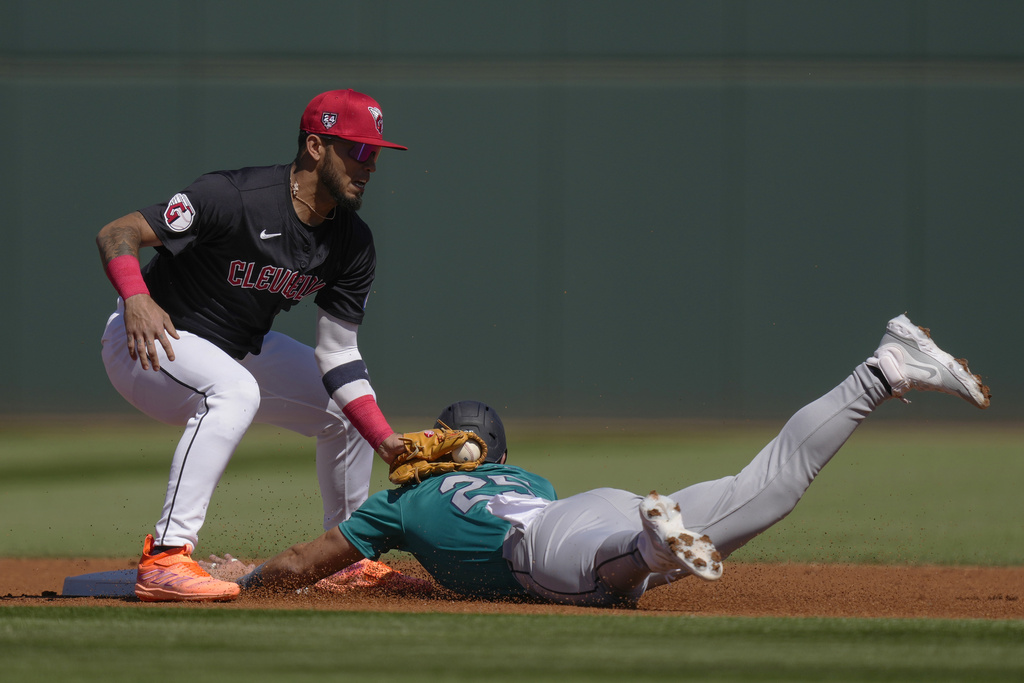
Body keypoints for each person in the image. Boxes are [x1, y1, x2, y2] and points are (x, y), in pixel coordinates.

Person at [214, 314, 990, 607]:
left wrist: (244, 578)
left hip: (550, 544)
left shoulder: (397, 505)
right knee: (768, 485)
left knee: (603, 580)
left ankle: (650, 545)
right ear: (497, 454)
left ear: (441, 447)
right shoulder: (526, 477)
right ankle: (881, 371)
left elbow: (305, 561)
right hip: (586, 505)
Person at [96, 89, 416, 602]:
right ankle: (165, 558)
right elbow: (118, 232)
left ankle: (346, 558)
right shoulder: (235, 196)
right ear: (315, 146)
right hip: (149, 341)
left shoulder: (353, 242)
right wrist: (135, 298)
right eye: (358, 150)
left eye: (375, 153)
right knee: (235, 390)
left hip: (238, 349)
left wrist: (383, 438)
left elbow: (338, 354)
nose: (370, 165)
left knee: (349, 411)